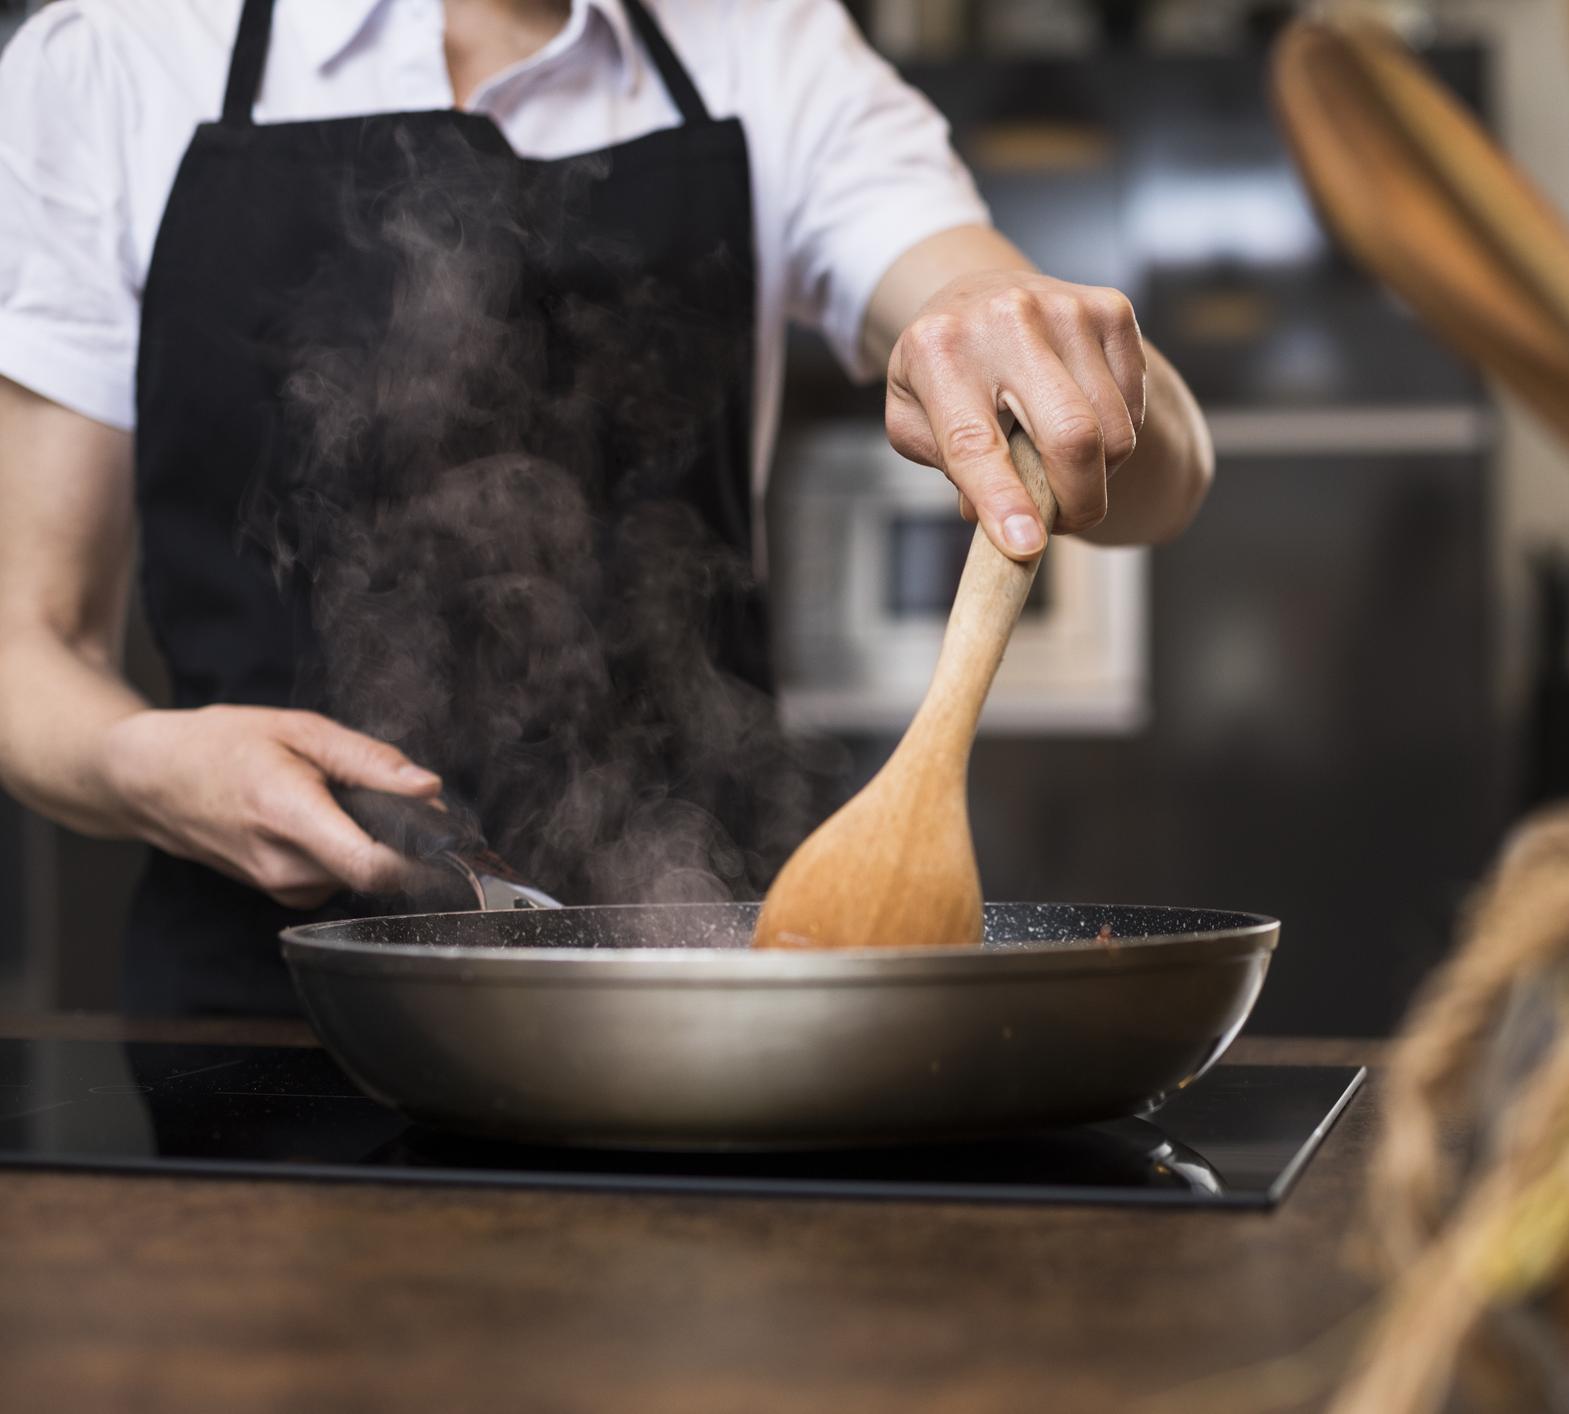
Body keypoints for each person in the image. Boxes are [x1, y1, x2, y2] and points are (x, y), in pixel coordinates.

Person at [0, 0, 1214, 1014]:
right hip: (265, 1025)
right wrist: (140, 761)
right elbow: (26, 640)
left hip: (703, 1009)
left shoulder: (768, 43)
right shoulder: (113, 60)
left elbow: (1158, 469)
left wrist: (1031, 338)